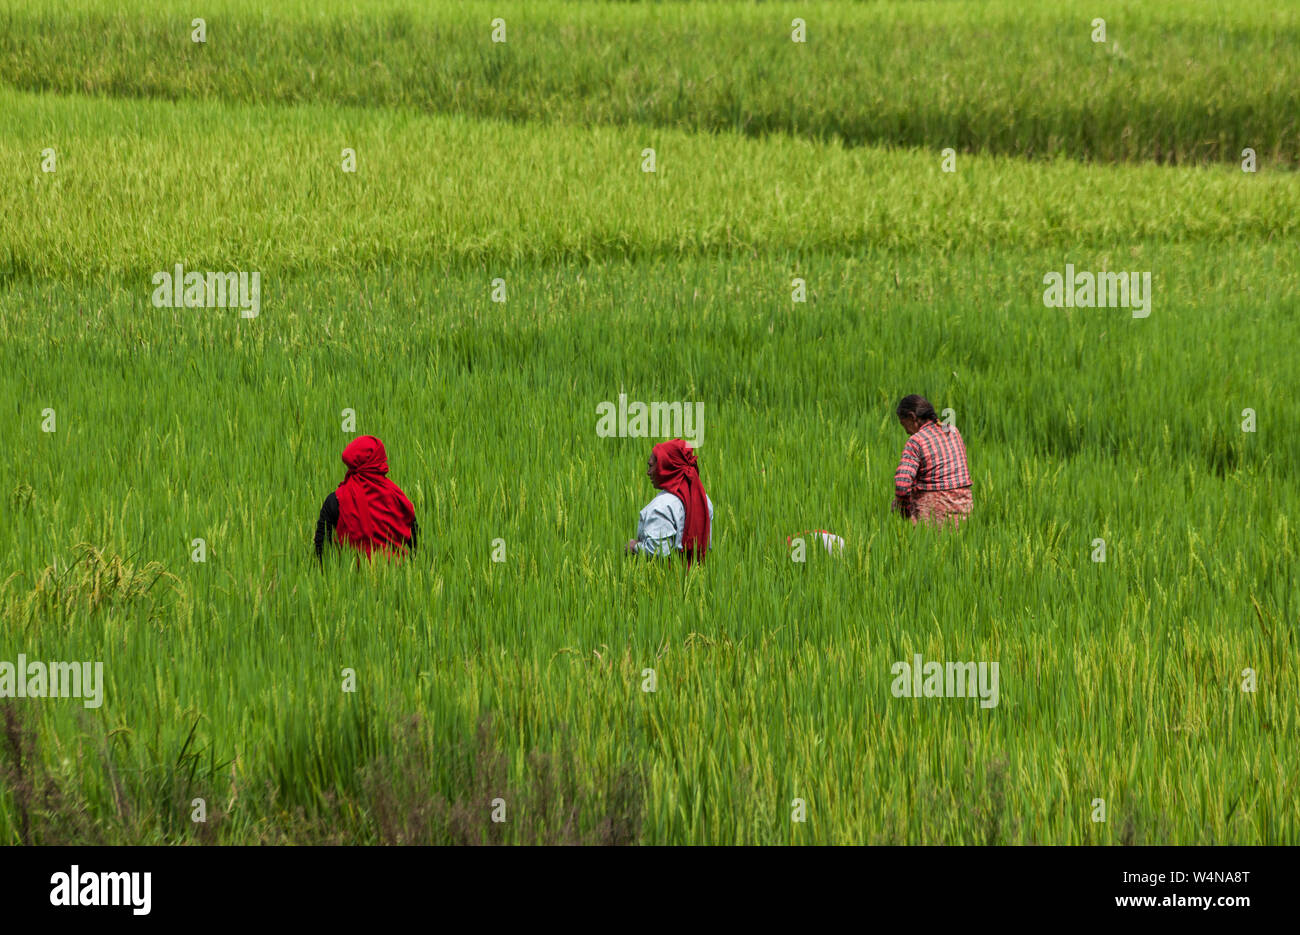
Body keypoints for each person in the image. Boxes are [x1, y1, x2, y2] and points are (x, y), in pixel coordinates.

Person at [315, 435, 418, 561]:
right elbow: (416, 545)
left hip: (349, 577)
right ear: (377, 461)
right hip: (398, 574)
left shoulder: (336, 500)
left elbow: (321, 549)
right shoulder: (397, 497)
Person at [626, 439, 712, 564]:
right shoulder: (703, 499)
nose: (648, 472)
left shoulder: (662, 506)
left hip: (666, 579)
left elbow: (658, 553)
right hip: (699, 575)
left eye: (651, 466)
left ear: (666, 467)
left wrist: (634, 547)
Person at [891, 395, 972, 527]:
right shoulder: (952, 430)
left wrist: (904, 512)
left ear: (912, 417)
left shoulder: (916, 441)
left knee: (896, 505)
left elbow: (902, 485)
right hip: (964, 509)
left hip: (934, 514)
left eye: (903, 424)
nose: (906, 431)